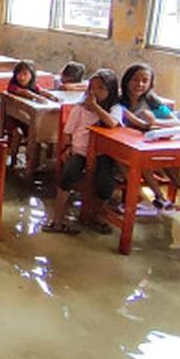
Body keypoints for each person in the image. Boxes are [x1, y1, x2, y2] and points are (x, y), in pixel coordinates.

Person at [42, 69, 123, 235]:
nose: (94, 93)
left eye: (101, 88)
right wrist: (67, 147)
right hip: (79, 151)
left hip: (102, 154)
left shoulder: (115, 108)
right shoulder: (80, 108)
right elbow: (69, 131)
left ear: (111, 91)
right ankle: (57, 219)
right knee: (68, 175)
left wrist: (95, 107)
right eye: (92, 88)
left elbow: (113, 123)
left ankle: (95, 215)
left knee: (105, 182)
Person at [118, 63, 180, 213]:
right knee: (127, 159)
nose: (139, 84)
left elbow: (176, 122)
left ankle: (159, 198)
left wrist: (155, 121)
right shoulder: (118, 101)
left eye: (145, 81)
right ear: (126, 81)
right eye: (135, 80)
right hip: (122, 148)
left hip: (145, 147)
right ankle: (142, 196)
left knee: (142, 162)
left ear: (150, 83)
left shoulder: (153, 101)